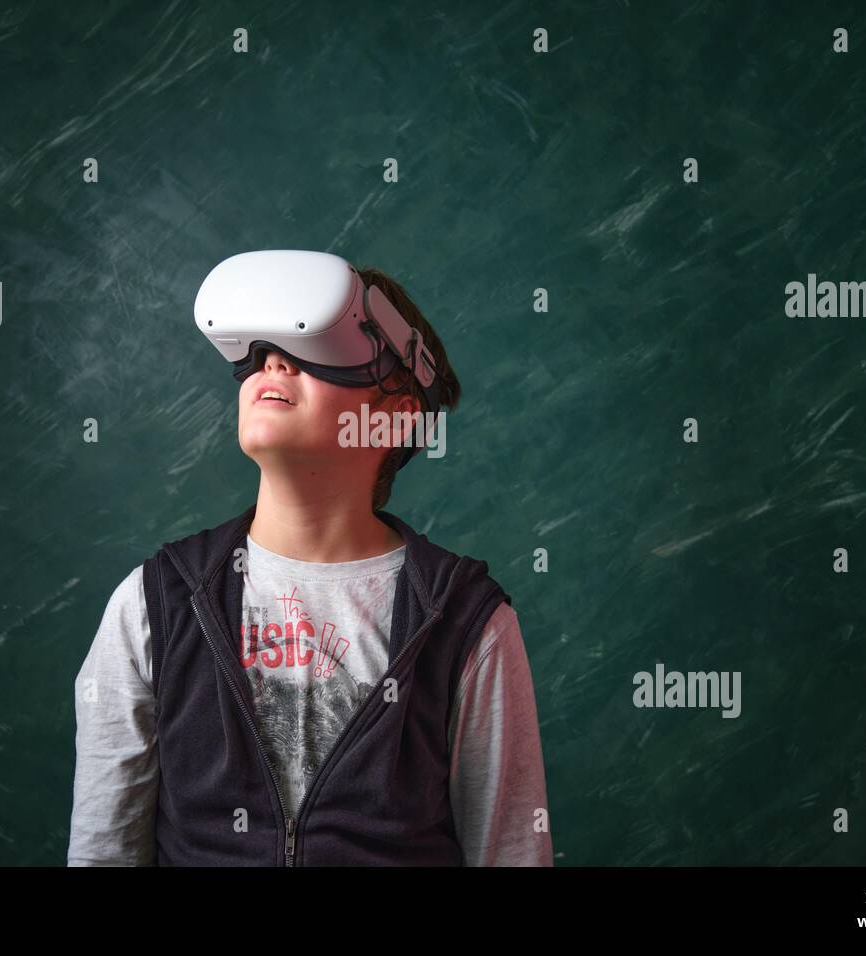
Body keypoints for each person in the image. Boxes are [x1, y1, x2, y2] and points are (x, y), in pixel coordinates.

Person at [68, 263, 552, 866]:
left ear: (394, 414)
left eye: (316, 345)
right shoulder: (154, 605)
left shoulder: (465, 620)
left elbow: (510, 855)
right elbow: (102, 852)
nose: (273, 361)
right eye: (262, 349)